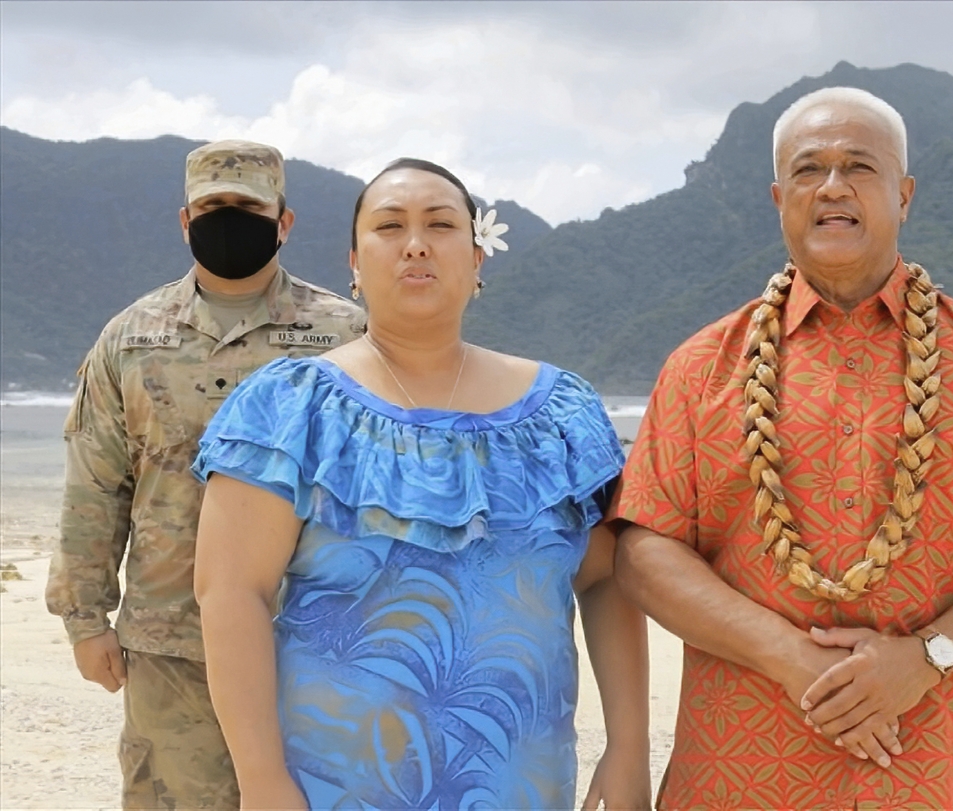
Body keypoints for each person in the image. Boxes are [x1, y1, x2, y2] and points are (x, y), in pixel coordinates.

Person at [610, 86, 953, 809]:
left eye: (859, 166)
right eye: (809, 170)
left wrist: (927, 659)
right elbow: (644, 554)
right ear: (778, 196)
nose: (832, 186)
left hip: (930, 772)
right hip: (739, 777)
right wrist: (786, 655)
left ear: (904, 193)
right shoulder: (700, 367)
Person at [190, 158, 651, 810]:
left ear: (476, 258)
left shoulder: (562, 414)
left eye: (440, 224)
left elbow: (605, 577)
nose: (415, 242)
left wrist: (628, 745)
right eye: (389, 225)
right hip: (330, 789)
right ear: (354, 261)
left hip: (522, 785)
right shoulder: (289, 410)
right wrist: (261, 779)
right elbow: (230, 591)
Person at [45, 139, 365, 809]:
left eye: (246, 205)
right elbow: (96, 486)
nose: (228, 217)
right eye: (212, 206)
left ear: (284, 220)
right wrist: (85, 617)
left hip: (313, 641)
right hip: (171, 645)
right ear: (185, 220)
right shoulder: (130, 338)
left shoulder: (345, 337)